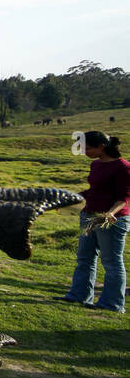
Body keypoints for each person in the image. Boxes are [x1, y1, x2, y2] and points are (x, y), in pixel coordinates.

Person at [57, 131, 130, 313]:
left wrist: (110, 213)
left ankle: (112, 304)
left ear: (102, 146)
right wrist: (69, 199)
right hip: (89, 216)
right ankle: (79, 295)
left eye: (87, 148)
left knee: (112, 262)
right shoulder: (96, 165)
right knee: (85, 257)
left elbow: (125, 197)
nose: (84, 151)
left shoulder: (123, 167)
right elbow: (94, 191)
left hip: (111, 220)